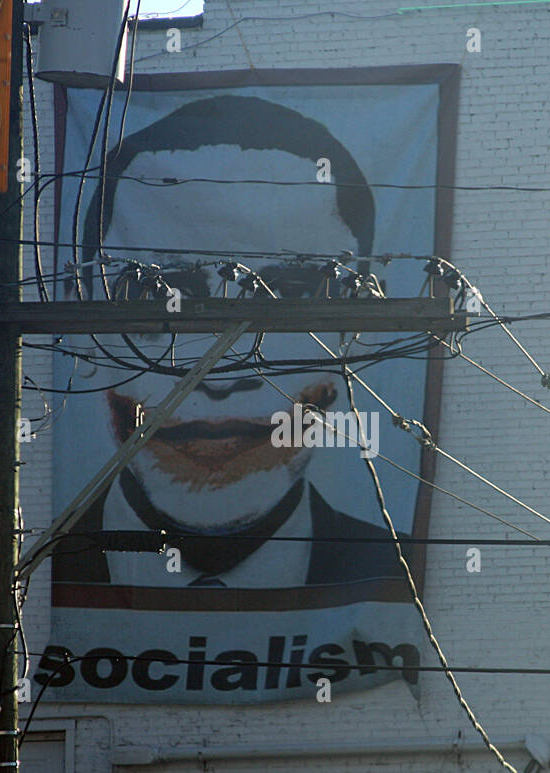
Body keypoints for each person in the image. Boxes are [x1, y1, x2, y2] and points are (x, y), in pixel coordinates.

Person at [53, 94, 422, 598]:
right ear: (87, 328)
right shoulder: (16, 578)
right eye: (158, 296)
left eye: (290, 298)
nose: (222, 374)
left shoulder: (393, 580)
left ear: (356, 334)